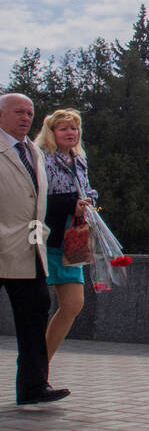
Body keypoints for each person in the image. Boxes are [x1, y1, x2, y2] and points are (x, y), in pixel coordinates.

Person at [0, 93, 69, 405]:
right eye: (18, 112)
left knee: (34, 319)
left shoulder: (33, 152)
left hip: (29, 251)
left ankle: (33, 387)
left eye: (29, 113)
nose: (25, 118)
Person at [34, 109, 98, 361]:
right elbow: (37, 197)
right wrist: (70, 204)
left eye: (74, 129)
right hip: (49, 235)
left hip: (76, 235)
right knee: (35, 305)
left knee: (73, 304)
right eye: (64, 129)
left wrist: (89, 200)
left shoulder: (79, 159)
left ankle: (42, 364)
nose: (71, 133)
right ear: (51, 132)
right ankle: (35, 368)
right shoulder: (42, 158)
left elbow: (86, 188)